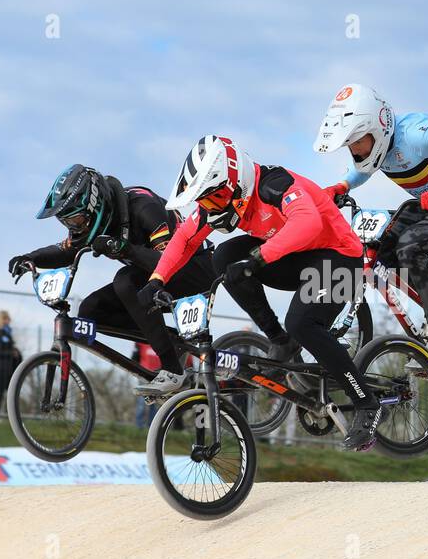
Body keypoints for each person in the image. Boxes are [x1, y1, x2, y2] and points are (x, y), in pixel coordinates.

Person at [142, 134, 382, 451]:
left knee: (303, 324)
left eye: (211, 200)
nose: (207, 209)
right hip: (295, 257)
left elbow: (308, 223)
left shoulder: (274, 184)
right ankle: (279, 340)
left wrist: (257, 259)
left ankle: (367, 403)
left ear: (233, 183)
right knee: (223, 258)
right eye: (203, 202)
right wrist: (157, 279)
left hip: (342, 259)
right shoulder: (220, 200)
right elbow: (186, 239)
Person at [314, 84, 428, 364]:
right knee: (382, 248)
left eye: (357, 141)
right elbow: (363, 169)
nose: (355, 150)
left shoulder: (417, 133)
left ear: (378, 129)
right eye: (350, 144)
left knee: (410, 247)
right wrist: (342, 186)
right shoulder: (376, 147)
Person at [8, 164, 215, 394]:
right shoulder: (98, 219)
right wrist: (29, 258)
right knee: (90, 312)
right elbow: (66, 251)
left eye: (75, 221)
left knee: (126, 280)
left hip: (197, 269)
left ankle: (172, 368)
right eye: (67, 223)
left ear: (93, 204)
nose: (73, 228)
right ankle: (170, 341)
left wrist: (125, 249)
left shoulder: (143, 207)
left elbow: (165, 261)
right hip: (154, 280)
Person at [0, 310, 21, 416]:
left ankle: (9, 415)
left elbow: (9, 347)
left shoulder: (7, 332)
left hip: (8, 367)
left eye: (8, 319)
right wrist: (12, 353)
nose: (8, 321)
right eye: (6, 319)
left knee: (10, 390)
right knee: (0, 390)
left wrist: (16, 353)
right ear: (1, 319)